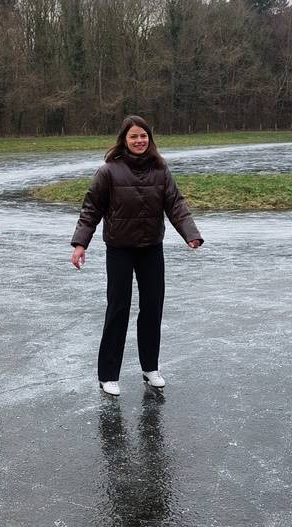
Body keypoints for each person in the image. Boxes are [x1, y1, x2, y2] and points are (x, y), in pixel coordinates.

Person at [70, 115, 203, 396]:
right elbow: (91, 209)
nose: (139, 141)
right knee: (118, 308)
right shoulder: (109, 171)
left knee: (153, 307)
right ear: (124, 140)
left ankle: (150, 367)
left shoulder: (161, 169)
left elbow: (176, 204)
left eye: (143, 136)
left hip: (151, 248)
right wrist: (80, 244)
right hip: (119, 249)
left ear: (149, 139)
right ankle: (108, 375)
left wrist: (190, 233)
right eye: (133, 137)